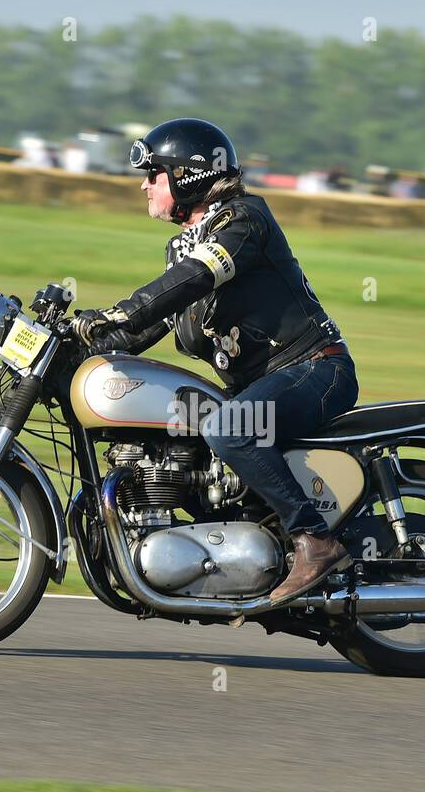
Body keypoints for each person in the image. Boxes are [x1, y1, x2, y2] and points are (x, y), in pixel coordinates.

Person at [70, 118, 359, 605]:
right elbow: (148, 325)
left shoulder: (244, 220)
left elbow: (195, 278)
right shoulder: (186, 244)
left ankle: (316, 542)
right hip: (262, 385)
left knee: (229, 428)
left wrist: (119, 309)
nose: (144, 183)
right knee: (175, 431)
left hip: (315, 370)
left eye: (154, 173)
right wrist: (73, 347)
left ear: (187, 176)